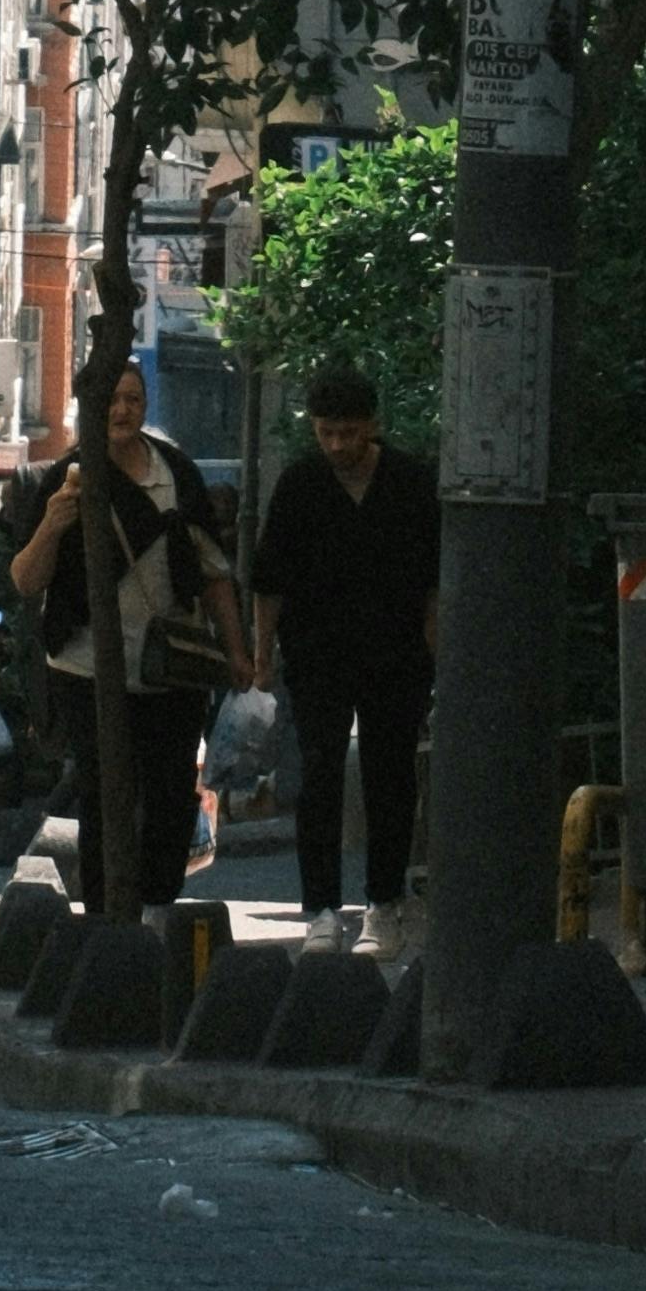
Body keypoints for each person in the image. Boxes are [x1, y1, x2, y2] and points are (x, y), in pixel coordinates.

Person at [7, 367, 246, 911]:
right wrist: (53, 522)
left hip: (174, 668)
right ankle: (105, 920)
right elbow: (25, 578)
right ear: (90, 407)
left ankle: (159, 909)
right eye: (111, 400)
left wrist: (236, 650)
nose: (122, 410)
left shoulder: (176, 472)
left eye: (133, 399)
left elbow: (214, 572)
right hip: (87, 667)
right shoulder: (65, 476)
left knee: (169, 797)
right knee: (102, 796)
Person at [246, 366, 442, 927]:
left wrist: (435, 647)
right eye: (327, 433)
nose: (338, 445)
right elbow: (270, 582)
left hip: (397, 653)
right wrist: (263, 657)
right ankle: (321, 908)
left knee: (392, 777)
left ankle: (384, 901)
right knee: (318, 775)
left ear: (372, 426)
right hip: (316, 655)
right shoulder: (300, 485)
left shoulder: (409, 482)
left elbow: (433, 580)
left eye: (349, 433)